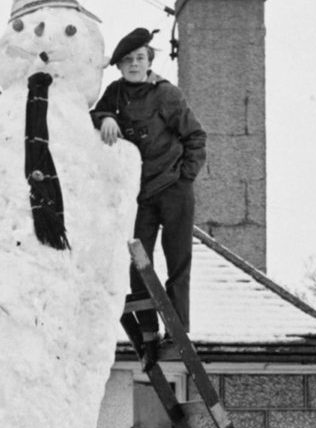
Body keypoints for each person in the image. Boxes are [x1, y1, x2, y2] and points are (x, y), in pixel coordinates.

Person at [91, 26, 207, 362]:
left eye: (139, 58)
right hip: (139, 195)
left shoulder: (167, 95)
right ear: (120, 66)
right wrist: (106, 117)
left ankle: (178, 331)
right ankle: (149, 332)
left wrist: (185, 178)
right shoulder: (116, 92)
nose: (134, 65)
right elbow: (94, 114)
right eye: (127, 60)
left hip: (173, 190)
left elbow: (196, 137)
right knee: (137, 262)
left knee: (177, 261)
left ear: (149, 60)